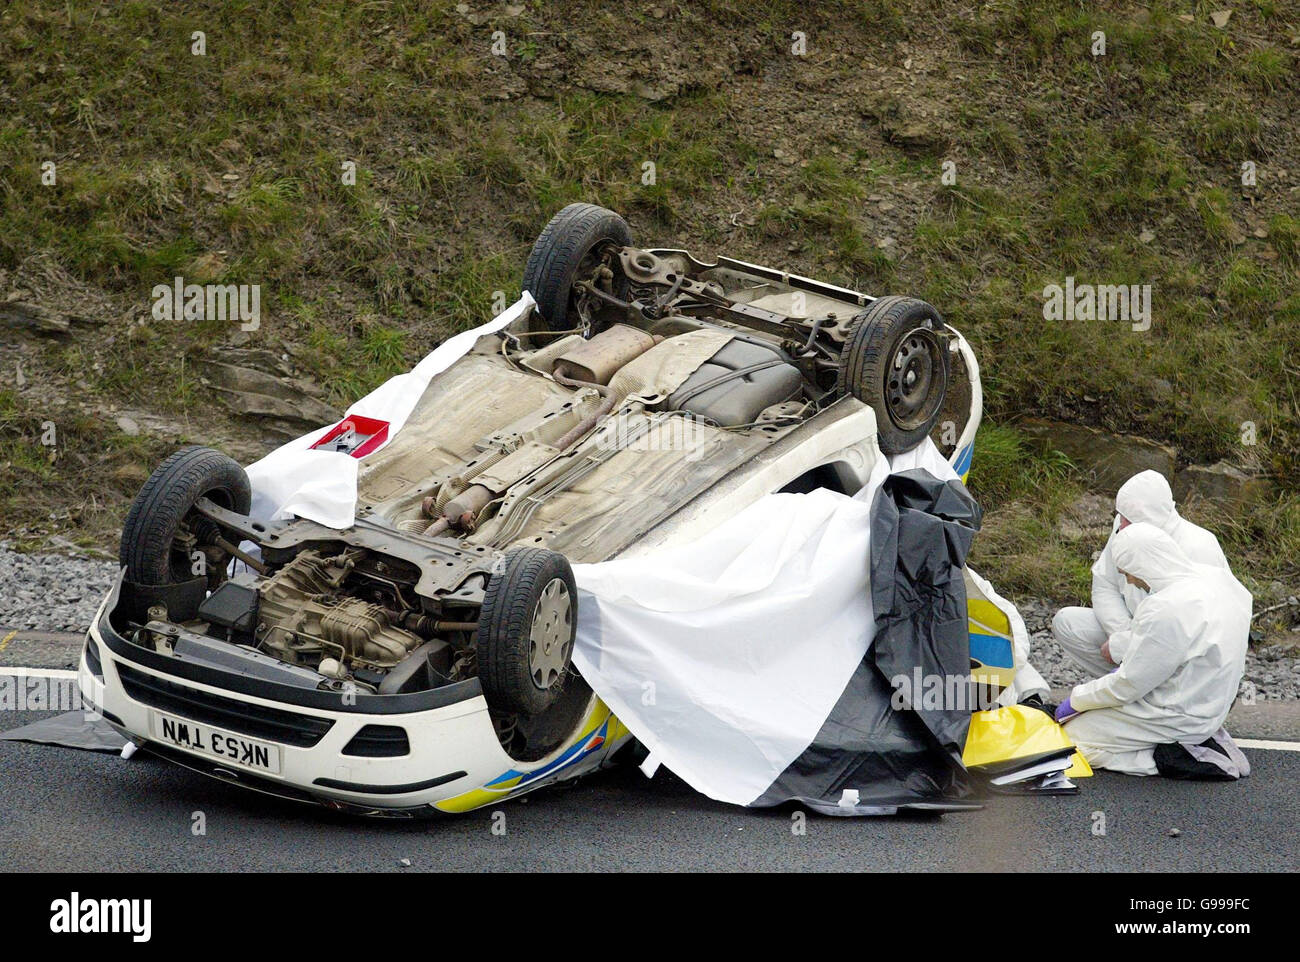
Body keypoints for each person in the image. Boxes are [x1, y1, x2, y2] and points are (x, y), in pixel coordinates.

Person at [1053, 523, 1251, 774]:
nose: (1130, 581)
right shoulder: (1220, 580)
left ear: (1141, 566)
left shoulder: (1165, 607)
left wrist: (1078, 699)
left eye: (1128, 572)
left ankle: (1173, 757)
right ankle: (1192, 740)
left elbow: (1128, 685)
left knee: (1066, 742)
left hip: (1175, 714)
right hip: (1210, 703)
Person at [1053, 470, 1228, 676]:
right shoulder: (1124, 527)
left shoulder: (1200, 547)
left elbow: (1190, 631)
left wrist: (1127, 645)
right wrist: (1122, 635)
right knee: (1067, 622)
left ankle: (1157, 696)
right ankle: (1125, 687)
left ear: (1154, 519)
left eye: (1129, 520)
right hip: (1133, 632)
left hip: (1184, 653)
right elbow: (1104, 585)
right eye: (1121, 517)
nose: (1121, 525)